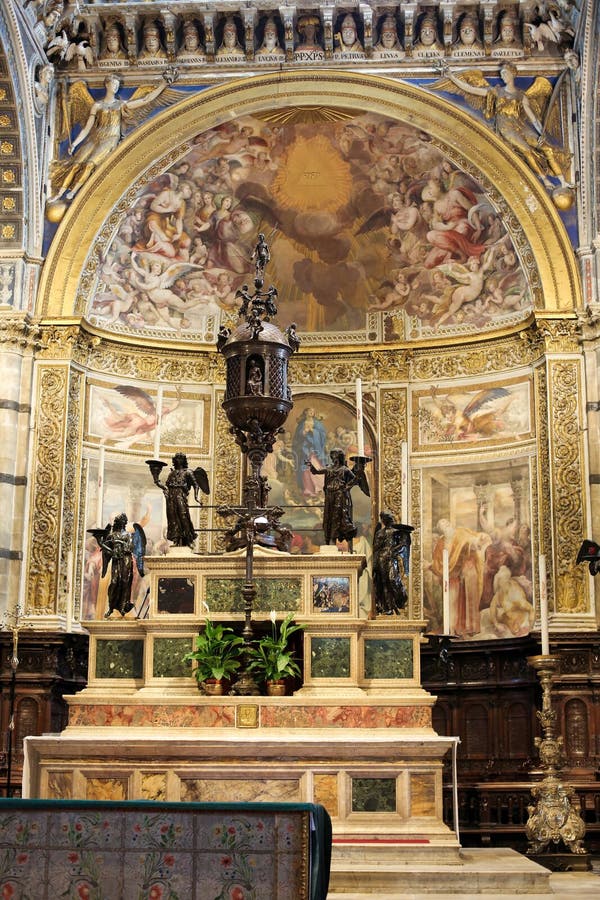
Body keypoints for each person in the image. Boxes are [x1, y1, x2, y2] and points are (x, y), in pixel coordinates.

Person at [49, 70, 178, 202]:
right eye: (113, 84)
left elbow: (146, 99)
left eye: (117, 85)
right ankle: (59, 193)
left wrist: (163, 84)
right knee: (76, 165)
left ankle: (74, 192)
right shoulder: (97, 105)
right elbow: (87, 127)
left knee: (89, 164)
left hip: (111, 139)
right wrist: (75, 143)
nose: (116, 87)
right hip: (95, 137)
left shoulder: (121, 105)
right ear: (107, 84)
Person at [439, 63, 571, 189]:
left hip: (521, 127)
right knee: (527, 151)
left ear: (513, 74)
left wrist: (542, 133)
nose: (503, 77)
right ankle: (545, 180)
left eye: (505, 73)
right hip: (505, 128)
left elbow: (533, 119)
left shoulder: (521, 96)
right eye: (502, 74)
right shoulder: (497, 91)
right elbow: (471, 89)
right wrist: (452, 77)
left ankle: (563, 181)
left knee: (547, 149)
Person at [430, 517, 487, 637]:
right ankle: (456, 628)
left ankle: (471, 627)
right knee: (455, 602)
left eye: (446, 522)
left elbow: (474, 541)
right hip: (452, 575)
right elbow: (438, 561)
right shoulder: (441, 542)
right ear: (441, 530)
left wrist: (476, 541)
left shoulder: (460, 532)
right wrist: (436, 566)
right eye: (442, 525)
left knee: (470, 597)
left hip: (468, 570)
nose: (445, 525)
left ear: (450, 524)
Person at [308, 448, 369, 548]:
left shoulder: (345, 469)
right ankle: (328, 540)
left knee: (337, 516)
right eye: (333, 456)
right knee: (328, 516)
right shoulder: (328, 468)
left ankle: (334, 538)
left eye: (336, 456)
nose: (334, 459)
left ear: (339, 457)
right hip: (329, 495)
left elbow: (355, 479)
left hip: (340, 495)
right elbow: (316, 472)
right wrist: (311, 466)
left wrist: (348, 485)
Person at [93, 513, 146, 618]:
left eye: (123, 522)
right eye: (120, 521)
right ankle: (111, 607)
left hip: (126, 560)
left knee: (125, 582)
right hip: (116, 561)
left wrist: (118, 542)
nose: (122, 524)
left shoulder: (128, 535)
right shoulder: (111, 535)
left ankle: (123, 606)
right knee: (114, 582)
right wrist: (102, 544)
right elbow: (108, 551)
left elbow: (129, 548)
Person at [154, 452, 208, 547]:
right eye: (177, 458)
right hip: (171, 497)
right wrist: (157, 480)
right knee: (172, 517)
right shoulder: (172, 473)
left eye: (181, 458)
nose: (179, 460)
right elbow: (167, 487)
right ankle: (176, 539)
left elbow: (196, 485)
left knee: (183, 516)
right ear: (174, 460)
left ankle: (188, 539)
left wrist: (196, 497)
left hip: (180, 495)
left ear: (184, 460)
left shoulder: (188, 472)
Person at [372, 513, 413, 615]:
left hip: (391, 559)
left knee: (393, 579)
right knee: (384, 582)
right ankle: (388, 607)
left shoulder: (397, 533)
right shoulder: (380, 533)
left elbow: (403, 545)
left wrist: (393, 550)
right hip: (382, 559)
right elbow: (376, 548)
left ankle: (400, 600)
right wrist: (375, 565)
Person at [292, 407, 327, 497]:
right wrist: (303, 432)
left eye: (313, 411)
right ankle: (309, 489)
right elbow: (297, 437)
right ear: (305, 412)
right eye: (310, 411)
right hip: (305, 450)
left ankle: (319, 487)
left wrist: (313, 431)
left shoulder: (318, 423)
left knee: (316, 466)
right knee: (306, 470)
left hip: (315, 450)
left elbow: (323, 435)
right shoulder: (301, 424)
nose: (312, 412)